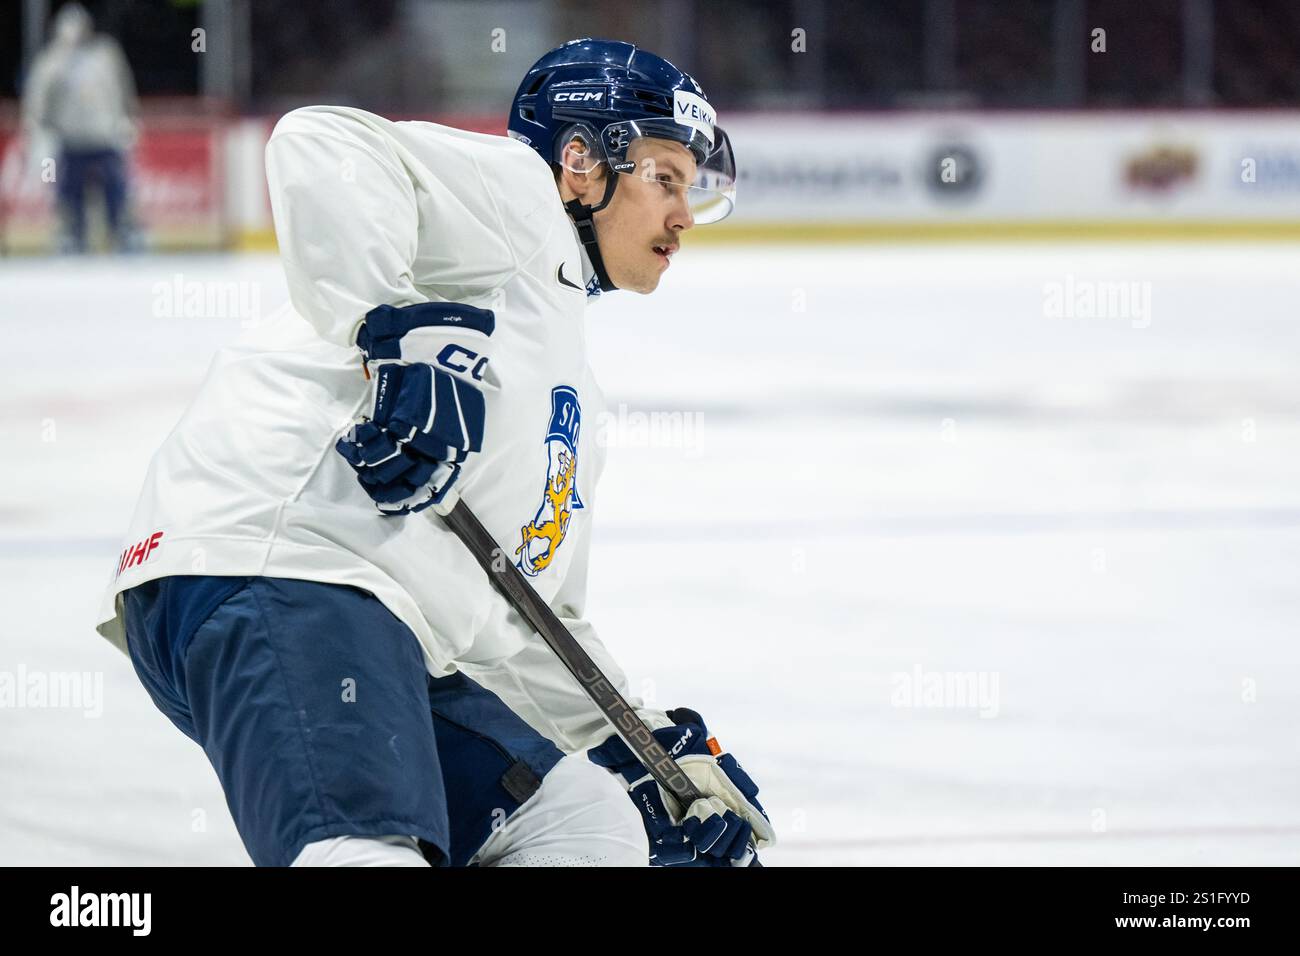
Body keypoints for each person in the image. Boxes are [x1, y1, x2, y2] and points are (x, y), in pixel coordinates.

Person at [95, 37, 775, 867]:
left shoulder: (569, 392)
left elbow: (525, 620)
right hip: (284, 565)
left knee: (582, 822)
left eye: (690, 188)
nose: (681, 213)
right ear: (579, 165)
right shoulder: (520, 204)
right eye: (663, 178)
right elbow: (321, 143)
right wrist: (395, 335)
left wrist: (648, 752)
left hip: (377, 629)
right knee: (365, 849)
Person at [21, 2, 139, 253]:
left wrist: (128, 118)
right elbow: (37, 99)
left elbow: (123, 88)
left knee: (116, 188)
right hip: (70, 140)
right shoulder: (51, 60)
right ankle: (72, 233)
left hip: (105, 137)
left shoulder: (106, 54)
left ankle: (122, 231)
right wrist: (39, 130)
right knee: (69, 193)